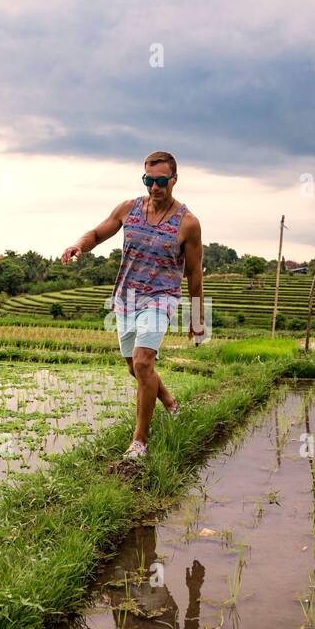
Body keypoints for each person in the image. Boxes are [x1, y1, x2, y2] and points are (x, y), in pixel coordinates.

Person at [62, 151, 205, 463]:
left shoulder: (188, 223)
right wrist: (78, 245)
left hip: (161, 297)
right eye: (148, 180)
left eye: (161, 181)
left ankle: (139, 442)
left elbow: (194, 273)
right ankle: (169, 400)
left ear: (174, 180)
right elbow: (99, 232)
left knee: (142, 364)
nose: (154, 187)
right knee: (135, 367)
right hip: (126, 297)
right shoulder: (130, 208)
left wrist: (196, 318)